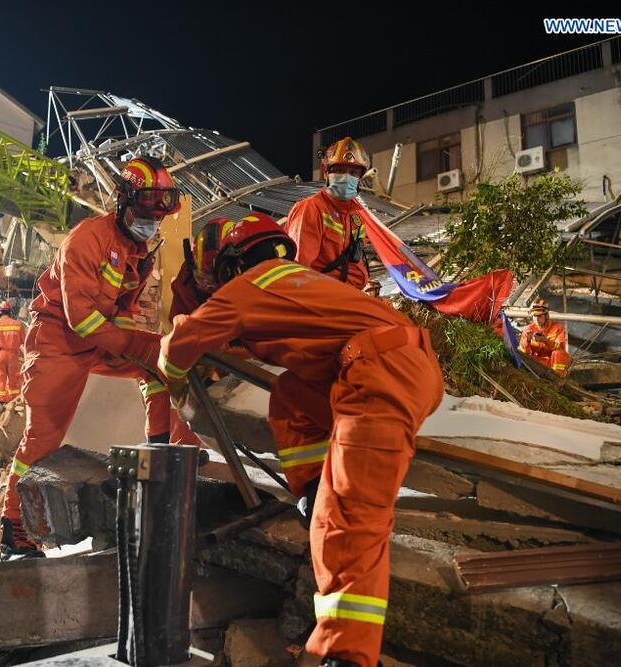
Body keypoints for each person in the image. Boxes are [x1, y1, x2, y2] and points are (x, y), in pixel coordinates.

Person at [156, 215, 442, 667]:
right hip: (395, 363)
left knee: (347, 516)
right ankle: (311, 486)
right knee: (291, 394)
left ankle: (345, 653)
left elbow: (181, 346)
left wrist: (168, 376)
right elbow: (272, 341)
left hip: (379, 375)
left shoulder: (249, 285)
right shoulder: (298, 281)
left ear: (233, 265)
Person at [0, 156, 197, 559]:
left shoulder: (139, 249)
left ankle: (164, 463)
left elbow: (122, 312)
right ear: (123, 202)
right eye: (146, 215)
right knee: (43, 439)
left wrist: (143, 347)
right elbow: (81, 319)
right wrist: (129, 345)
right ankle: (14, 529)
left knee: (165, 361)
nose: (152, 223)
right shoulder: (87, 239)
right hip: (58, 339)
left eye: (158, 218)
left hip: (101, 337)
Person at [285, 137, 373, 288]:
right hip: (317, 294)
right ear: (326, 173)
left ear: (360, 178)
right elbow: (298, 270)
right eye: (340, 170)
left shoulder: (356, 217)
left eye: (353, 172)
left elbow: (356, 263)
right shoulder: (311, 208)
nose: (346, 177)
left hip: (344, 293)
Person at [518, 299, 569, 376]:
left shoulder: (558, 328)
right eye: (534, 316)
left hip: (552, 363)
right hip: (536, 363)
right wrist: (527, 341)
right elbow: (523, 353)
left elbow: (560, 347)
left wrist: (546, 341)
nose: (536, 319)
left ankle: (557, 377)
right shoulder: (528, 329)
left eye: (539, 316)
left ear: (546, 316)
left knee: (558, 353)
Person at [0, 303, 25, 403]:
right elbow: (24, 341)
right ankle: (14, 401)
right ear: (10, 312)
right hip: (14, 355)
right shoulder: (18, 324)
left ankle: (1, 401)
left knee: (0, 377)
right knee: (14, 378)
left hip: (0, 354)